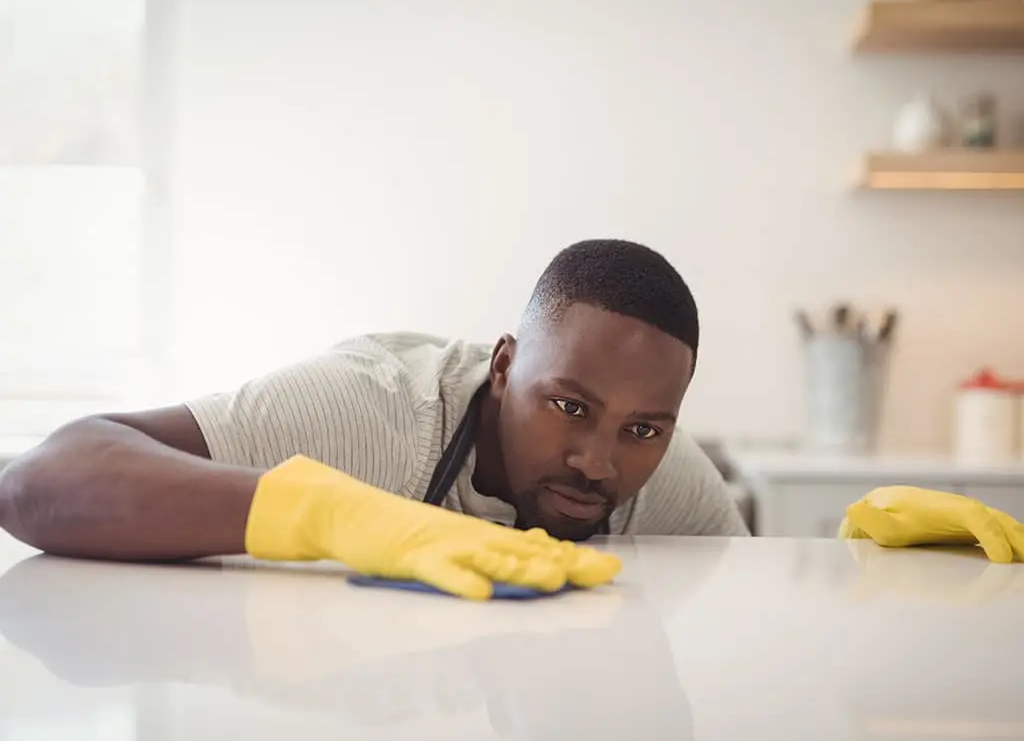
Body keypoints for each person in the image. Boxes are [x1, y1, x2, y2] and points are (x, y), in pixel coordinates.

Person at [0, 239, 748, 599]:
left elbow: (754, 615)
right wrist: (334, 514)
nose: (598, 462)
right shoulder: (374, 412)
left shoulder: (667, 474)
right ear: (503, 365)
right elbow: (36, 480)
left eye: (643, 429)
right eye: (569, 406)